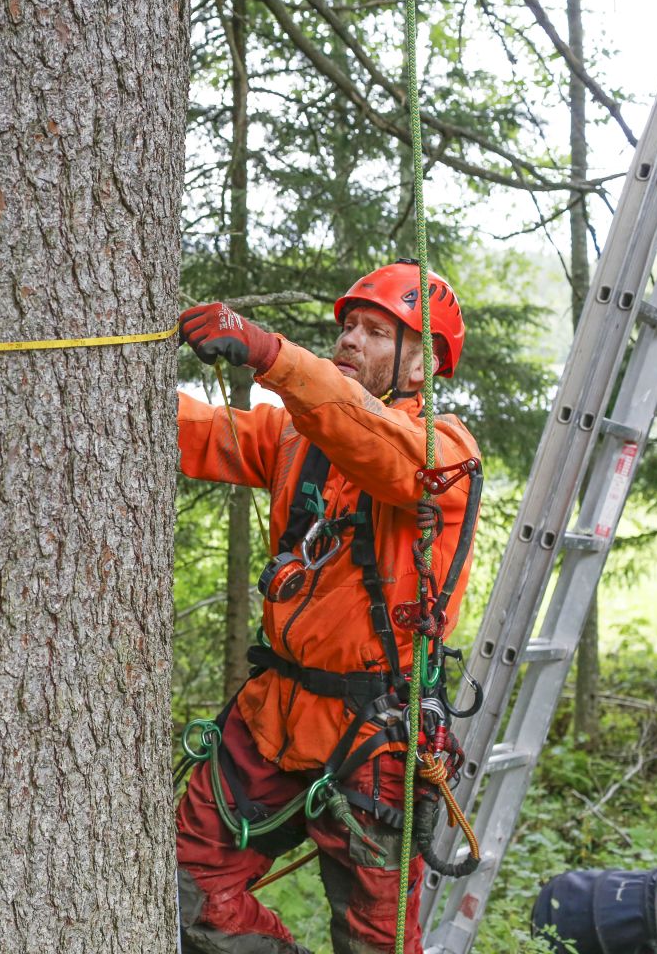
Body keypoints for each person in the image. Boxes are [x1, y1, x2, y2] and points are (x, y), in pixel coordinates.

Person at [174, 261, 481, 954]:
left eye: (376, 332)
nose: (351, 340)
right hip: (272, 717)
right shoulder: (296, 437)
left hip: (375, 737)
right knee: (185, 885)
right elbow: (198, 430)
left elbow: (382, 451)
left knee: (376, 943)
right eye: (348, 327)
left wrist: (274, 356)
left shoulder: (446, 455)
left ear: (425, 363)